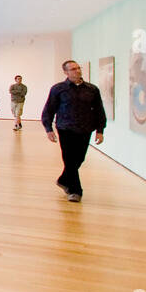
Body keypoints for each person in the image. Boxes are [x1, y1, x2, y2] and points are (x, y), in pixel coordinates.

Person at [41, 59, 106, 202]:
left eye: (78, 68)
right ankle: (75, 191)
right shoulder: (58, 89)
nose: (77, 71)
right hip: (65, 128)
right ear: (65, 72)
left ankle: (63, 180)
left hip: (85, 128)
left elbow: (99, 111)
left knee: (79, 159)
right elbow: (49, 109)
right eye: (73, 69)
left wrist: (100, 130)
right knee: (69, 159)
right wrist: (48, 129)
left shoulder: (92, 89)